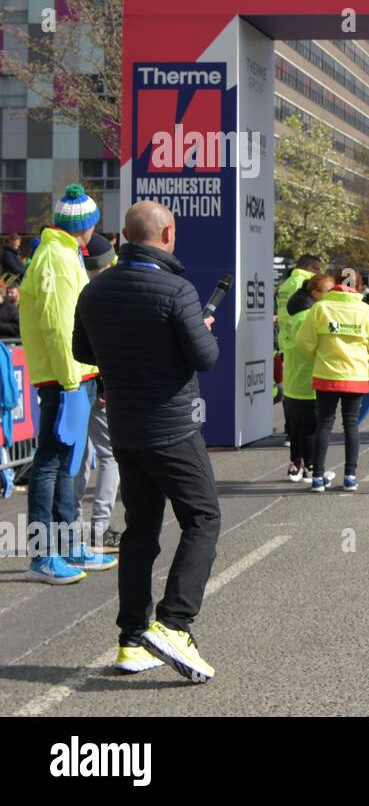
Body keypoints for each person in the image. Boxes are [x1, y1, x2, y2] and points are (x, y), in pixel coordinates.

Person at [72, 200, 220, 680]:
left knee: (140, 532)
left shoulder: (96, 289)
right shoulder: (177, 289)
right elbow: (205, 357)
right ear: (168, 234)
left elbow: (81, 350)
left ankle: (131, 639)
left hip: (127, 430)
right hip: (173, 427)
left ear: (124, 236)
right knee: (203, 517)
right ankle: (174, 623)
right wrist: (199, 330)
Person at [19, 184, 117, 585]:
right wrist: (72, 380)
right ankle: (44, 556)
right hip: (68, 378)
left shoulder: (60, 254)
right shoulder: (58, 259)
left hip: (73, 375)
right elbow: (60, 327)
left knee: (68, 462)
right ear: (89, 225)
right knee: (53, 462)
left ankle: (67, 545)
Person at [296, 270, 369, 493]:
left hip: (327, 373)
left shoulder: (321, 308)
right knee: (351, 425)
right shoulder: (365, 311)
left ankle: (317, 477)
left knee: (324, 423)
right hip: (355, 374)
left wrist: (318, 354)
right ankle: (350, 477)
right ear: (358, 285)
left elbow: (303, 340)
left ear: (335, 283)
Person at [75, 233, 123, 552]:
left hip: (72, 381)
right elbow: (109, 344)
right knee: (108, 455)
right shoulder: (109, 292)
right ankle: (100, 526)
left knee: (79, 457)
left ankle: (72, 524)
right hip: (95, 380)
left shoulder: (74, 284)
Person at [282, 272, 335, 484]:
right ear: (314, 293)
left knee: (296, 428)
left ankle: (295, 466)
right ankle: (313, 468)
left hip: (292, 381)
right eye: (328, 292)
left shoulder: (292, 316)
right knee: (312, 427)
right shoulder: (311, 317)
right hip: (310, 380)